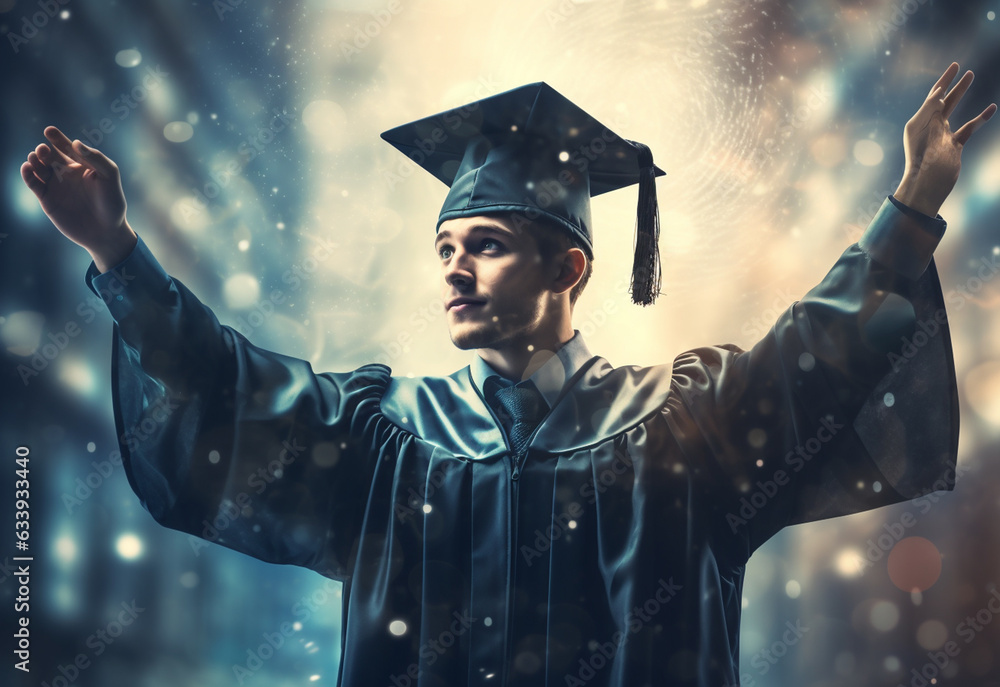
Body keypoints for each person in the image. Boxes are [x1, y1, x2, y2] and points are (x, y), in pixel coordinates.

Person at [20, 64, 995, 686]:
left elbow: (817, 358)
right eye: (444, 245)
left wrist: (911, 203)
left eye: (483, 244)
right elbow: (221, 384)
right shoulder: (383, 437)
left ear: (568, 265)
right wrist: (117, 250)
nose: (453, 266)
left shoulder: (685, 425)